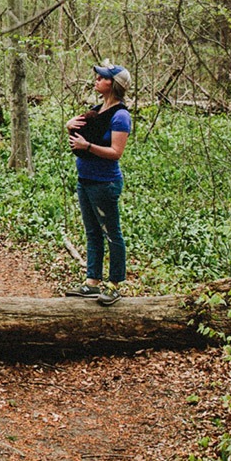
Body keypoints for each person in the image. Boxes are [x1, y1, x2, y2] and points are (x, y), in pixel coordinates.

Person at [64, 63, 132, 305]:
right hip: (85, 180)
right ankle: (92, 282)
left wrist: (88, 146)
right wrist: (69, 126)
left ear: (114, 85)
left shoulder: (120, 116)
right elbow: (82, 132)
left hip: (104, 183)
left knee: (112, 234)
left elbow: (116, 152)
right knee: (93, 233)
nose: (97, 79)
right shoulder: (97, 110)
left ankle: (114, 284)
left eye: (102, 78)